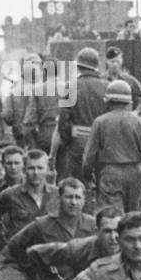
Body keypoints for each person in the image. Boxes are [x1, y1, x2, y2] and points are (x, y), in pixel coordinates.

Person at [0, 176, 92, 280]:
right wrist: (32, 271)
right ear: (59, 198)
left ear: (84, 200)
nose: (73, 202)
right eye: (68, 197)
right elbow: (14, 246)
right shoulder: (42, 225)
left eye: (77, 197)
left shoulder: (94, 226)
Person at [82, 80, 141, 214]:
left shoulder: (100, 122)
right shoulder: (138, 122)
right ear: (129, 102)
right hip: (135, 174)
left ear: (107, 102)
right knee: (134, 219)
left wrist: (88, 177)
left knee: (113, 217)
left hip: (110, 174)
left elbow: (89, 155)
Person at [0, 149, 53, 280]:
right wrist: (2, 242)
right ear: (24, 169)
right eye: (31, 168)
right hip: (20, 256)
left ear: (47, 169)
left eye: (40, 168)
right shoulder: (10, 194)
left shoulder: (57, 195)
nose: (35, 172)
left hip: (49, 256)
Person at [55, 48, 110, 181]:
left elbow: (64, 120)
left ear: (79, 66)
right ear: (96, 67)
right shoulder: (108, 86)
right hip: (102, 142)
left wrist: (68, 142)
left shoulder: (71, 86)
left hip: (78, 142)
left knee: (80, 182)